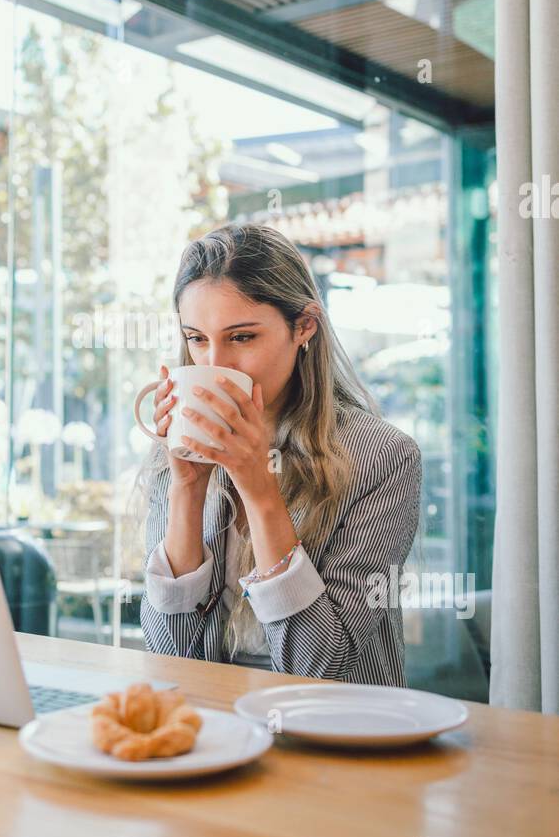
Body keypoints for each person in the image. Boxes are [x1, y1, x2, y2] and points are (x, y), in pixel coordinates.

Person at [132, 222, 421, 686]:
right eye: (197, 338)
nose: (214, 365)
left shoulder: (383, 458)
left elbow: (323, 669)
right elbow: (170, 657)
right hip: (217, 727)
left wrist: (259, 489)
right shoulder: (180, 448)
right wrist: (186, 489)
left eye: (242, 337)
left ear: (304, 326)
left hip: (336, 737)